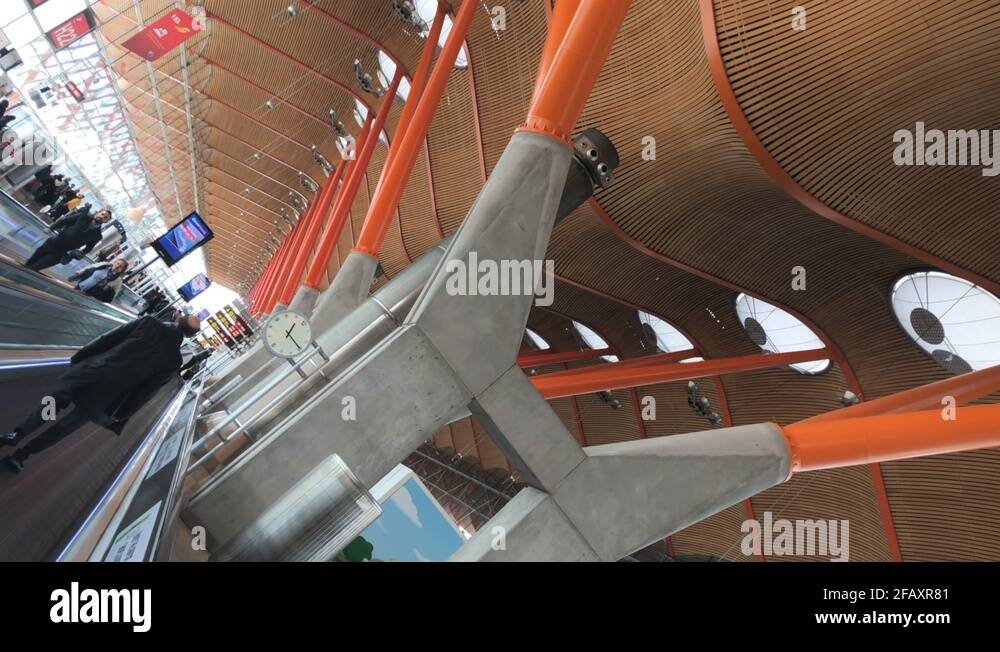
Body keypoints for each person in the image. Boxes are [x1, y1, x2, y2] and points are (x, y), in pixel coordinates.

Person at [1, 314, 202, 472]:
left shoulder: (148, 322)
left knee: (53, 404)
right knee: (64, 427)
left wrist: (81, 356)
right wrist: (122, 415)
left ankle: (17, 434)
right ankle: (21, 455)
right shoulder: (174, 362)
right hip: (108, 394)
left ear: (177, 318)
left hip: (94, 370)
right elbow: (145, 392)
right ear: (190, 336)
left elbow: (109, 338)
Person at [24, 206, 112, 272]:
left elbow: (89, 248)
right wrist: (51, 228)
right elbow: (64, 221)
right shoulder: (82, 217)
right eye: (102, 214)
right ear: (98, 213)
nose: (102, 217)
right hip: (51, 243)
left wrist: (79, 253)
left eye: (105, 218)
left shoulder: (97, 236)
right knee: (29, 263)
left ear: (106, 221)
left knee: (35, 267)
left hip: (60, 254)